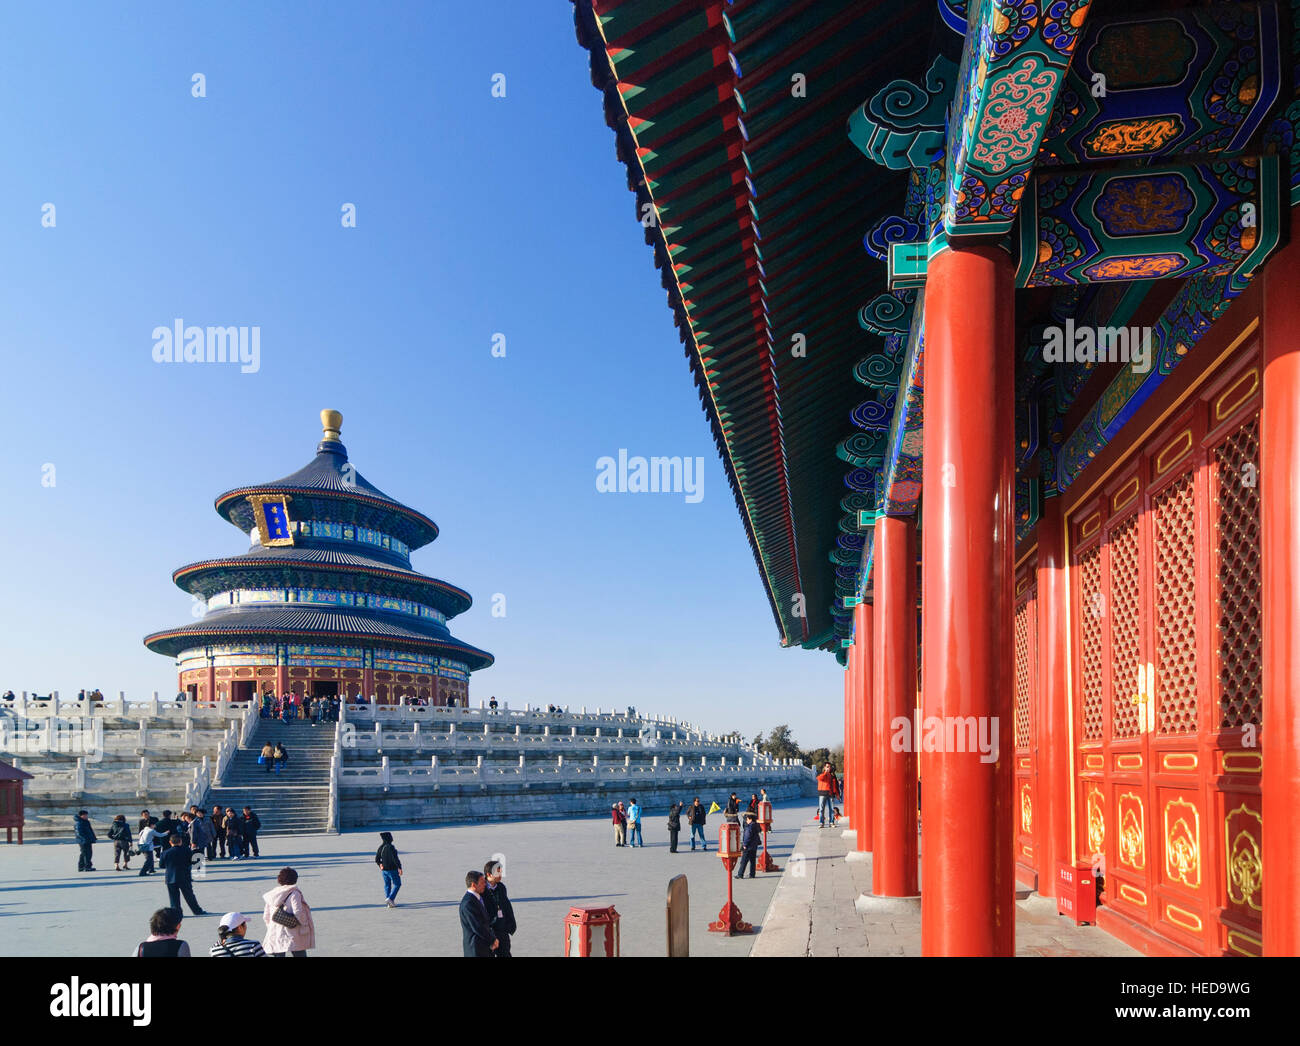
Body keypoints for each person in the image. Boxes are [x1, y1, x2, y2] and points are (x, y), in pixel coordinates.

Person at [262, 867, 315, 957]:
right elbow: (298, 911)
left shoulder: (273, 893)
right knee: (299, 951)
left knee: (279, 951)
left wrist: (270, 926)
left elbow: (266, 915)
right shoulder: (294, 893)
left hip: (275, 928)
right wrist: (304, 924)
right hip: (292, 928)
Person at [158, 834, 208, 916]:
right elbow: (193, 862)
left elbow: (161, 865)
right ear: (180, 841)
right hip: (184, 876)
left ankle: (177, 913)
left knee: (174, 898)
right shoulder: (186, 850)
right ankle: (197, 911)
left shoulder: (165, 853)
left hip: (170, 878)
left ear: (170, 842)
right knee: (189, 895)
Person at [459, 871, 498, 956]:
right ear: (473, 885)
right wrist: (492, 939)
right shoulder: (468, 903)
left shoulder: (477, 898)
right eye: (482, 882)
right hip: (476, 949)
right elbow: (477, 926)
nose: (485, 884)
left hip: (484, 947)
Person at [483, 860, 516, 958]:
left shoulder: (501, 887)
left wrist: (510, 925)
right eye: (498, 872)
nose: (500, 875)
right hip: (490, 931)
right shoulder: (482, 889)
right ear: (489, 874)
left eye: (501, 872)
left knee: (505, 954)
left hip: (503, 930)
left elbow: (507, 906)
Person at [375, 831, 402, 908]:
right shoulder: (391, 847)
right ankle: (390, 898)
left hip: (384, 871)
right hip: (392, 869)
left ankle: (389, 902)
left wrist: (380, 864)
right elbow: (395, 859)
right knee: (397, 884)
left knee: (387, 885)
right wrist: (399, 867)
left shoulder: (381, 847)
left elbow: (377, 859)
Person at [736, 812, 761, 879]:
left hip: (748, 846)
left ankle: (740, 874)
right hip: (754, 846)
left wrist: (744, 844)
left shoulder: (749, 827)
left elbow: (747, 836)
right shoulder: (756, 825)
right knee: (753, 861)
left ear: (750, 819)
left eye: (747, 819)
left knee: (744, 861)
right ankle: (752, 874)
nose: (746, 820)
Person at [816, 762, 840, 828]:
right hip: (822, 793)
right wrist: (825, 773)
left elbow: (835, 786)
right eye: (827, 766)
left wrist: (837, 794)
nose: (828, 768)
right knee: (821, 809)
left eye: (829, 767)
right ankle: (821, 823)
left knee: (831, 809)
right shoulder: (821, 774)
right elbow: (819, 778)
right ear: (824, 767)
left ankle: (831, 822)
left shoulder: (832, 776)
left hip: (831, 794)